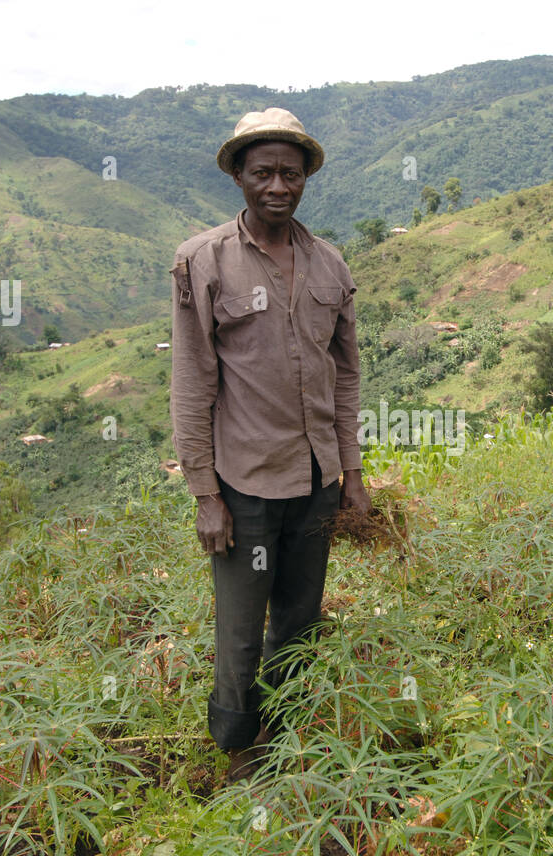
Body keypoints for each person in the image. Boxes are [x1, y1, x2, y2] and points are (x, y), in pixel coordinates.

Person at [169, 108, 371, 783]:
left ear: (306, 178)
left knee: (300, 620)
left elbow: (346, 376)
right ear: (239, 176)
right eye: (264, 172)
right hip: (246, 485)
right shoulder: (204, 262)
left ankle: (287, 742)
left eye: (291, 172)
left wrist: (355, 476)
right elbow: (193, 378)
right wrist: (206, 493)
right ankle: (236, 750)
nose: (278, 185)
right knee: (239, 631)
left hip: (314, 483)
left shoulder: (331, 265)